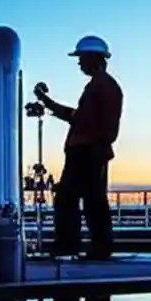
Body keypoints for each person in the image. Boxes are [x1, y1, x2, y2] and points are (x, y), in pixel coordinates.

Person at [34, 35, 123, 261]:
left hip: (87, 152)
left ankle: (71, 244)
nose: (79, 63)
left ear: (94, 59)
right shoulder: (102, 86)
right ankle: (94, 246)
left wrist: (49, 104)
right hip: (90, 151)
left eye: (82, 58)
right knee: (90, 200)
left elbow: (82, 119)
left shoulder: (102, 87)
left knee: (70, 199)